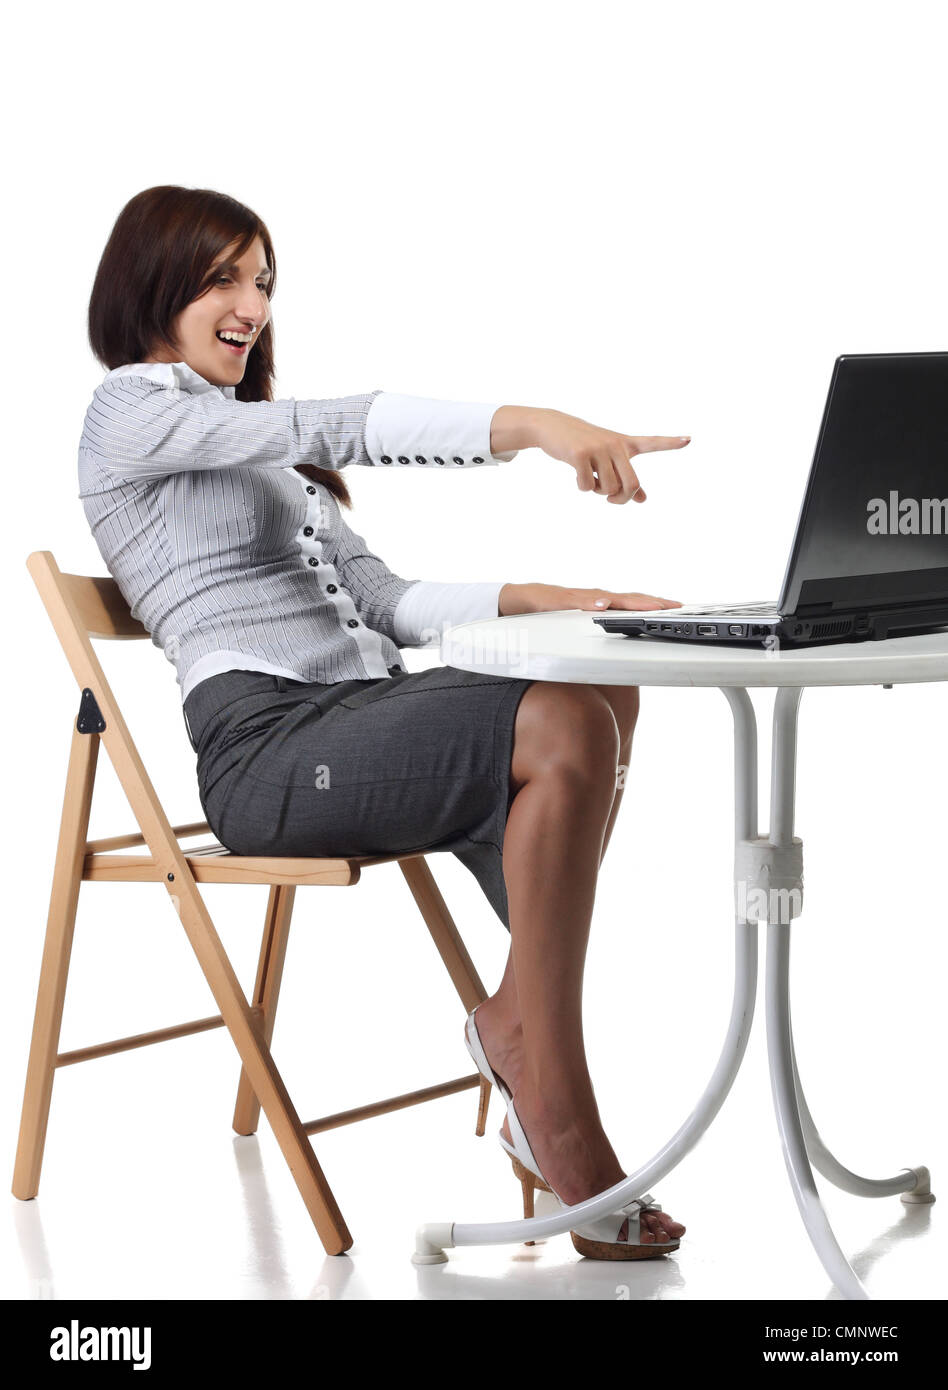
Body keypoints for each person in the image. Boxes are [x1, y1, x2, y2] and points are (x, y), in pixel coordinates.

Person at [80, 185, 690, 1258]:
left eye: (262, 281)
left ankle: (523, 1034)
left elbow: (390, 603)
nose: (250, 303)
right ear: (152, 286)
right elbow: (334, 419)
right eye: (223, 276)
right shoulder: (129, 410)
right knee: (563, 721)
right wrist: (533, 426)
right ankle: (553, 1097)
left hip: (355, 716)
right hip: (266, 751)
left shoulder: (269, 456)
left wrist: (554, 597)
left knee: (599, 683)